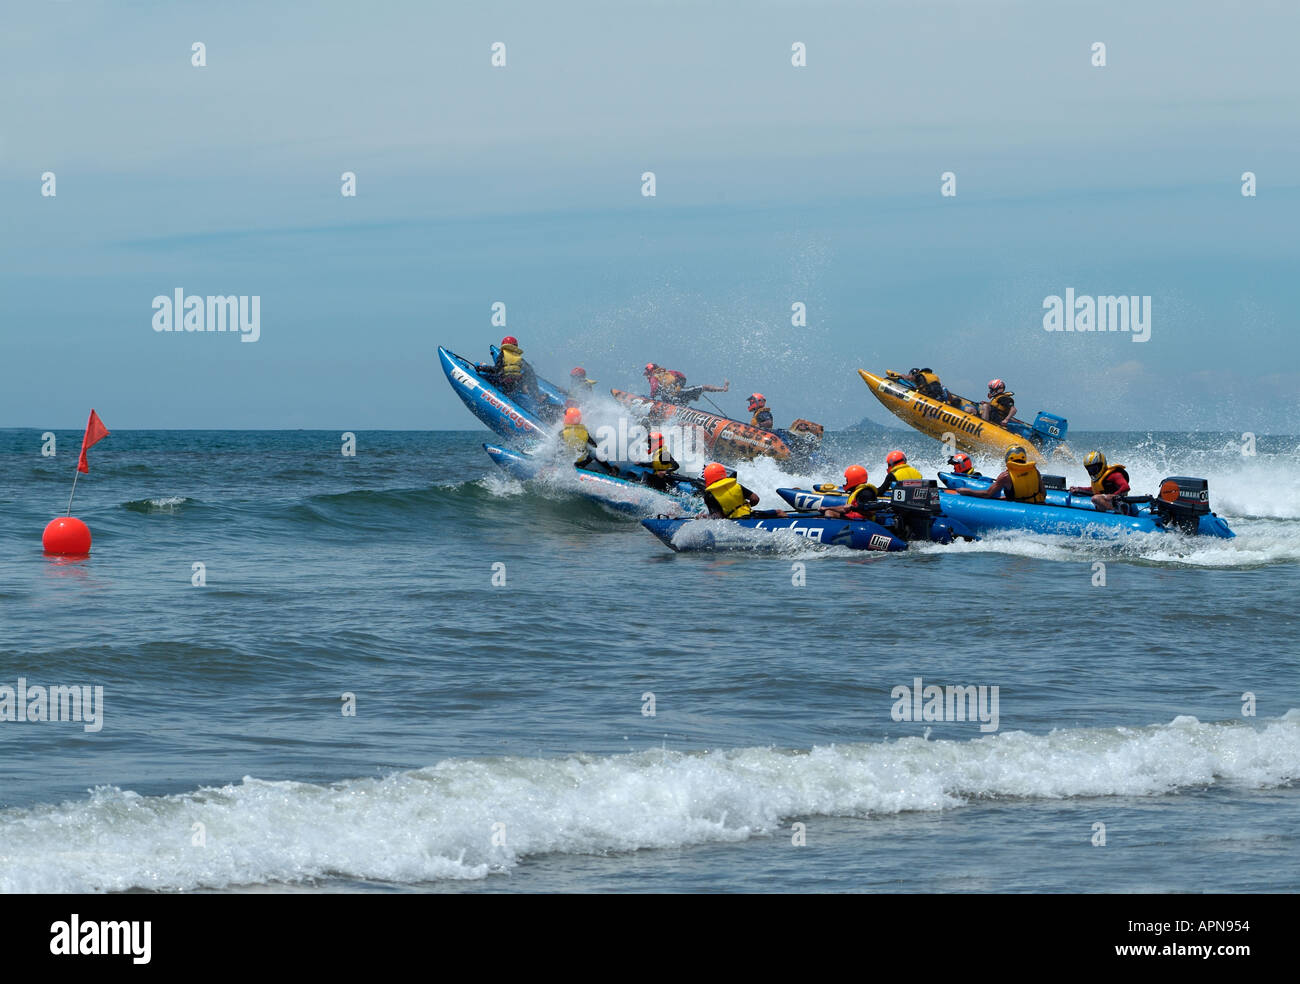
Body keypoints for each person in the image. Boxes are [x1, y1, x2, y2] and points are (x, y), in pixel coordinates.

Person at [955, 446, 1045, 503]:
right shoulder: (1035, 471)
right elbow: (1044, 494)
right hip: (1037, 504)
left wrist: (967, 491)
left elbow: (987, 494)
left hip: (1019, 509)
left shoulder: (1005, 476)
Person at [700, 462, 784, 519]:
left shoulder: (709, 495)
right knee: (779, 512)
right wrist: (746, 507)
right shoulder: (735, 485)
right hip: (750, 514)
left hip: (735, 522)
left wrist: (704, 517)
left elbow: (718, 517)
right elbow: (755, 499)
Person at [560, 407, 615, 474]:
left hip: (570, 463)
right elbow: (595, 446)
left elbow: (559, 449)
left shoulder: (562, 433)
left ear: (566, 418)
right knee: (594, 453)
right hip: (583, 462)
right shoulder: (584, 432)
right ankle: (610, 469)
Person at [644, 363, 729, 405]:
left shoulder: (654, 377)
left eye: (647, 374)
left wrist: (651, 399)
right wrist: (679, 386)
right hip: (678, 395)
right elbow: (683, 377)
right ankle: (723, 388)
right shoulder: (669, 372)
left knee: (703, 387)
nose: (647, 376)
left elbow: (654, 389)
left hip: (676, 395)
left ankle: (677, 410)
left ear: (650, 372)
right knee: (704, 387)